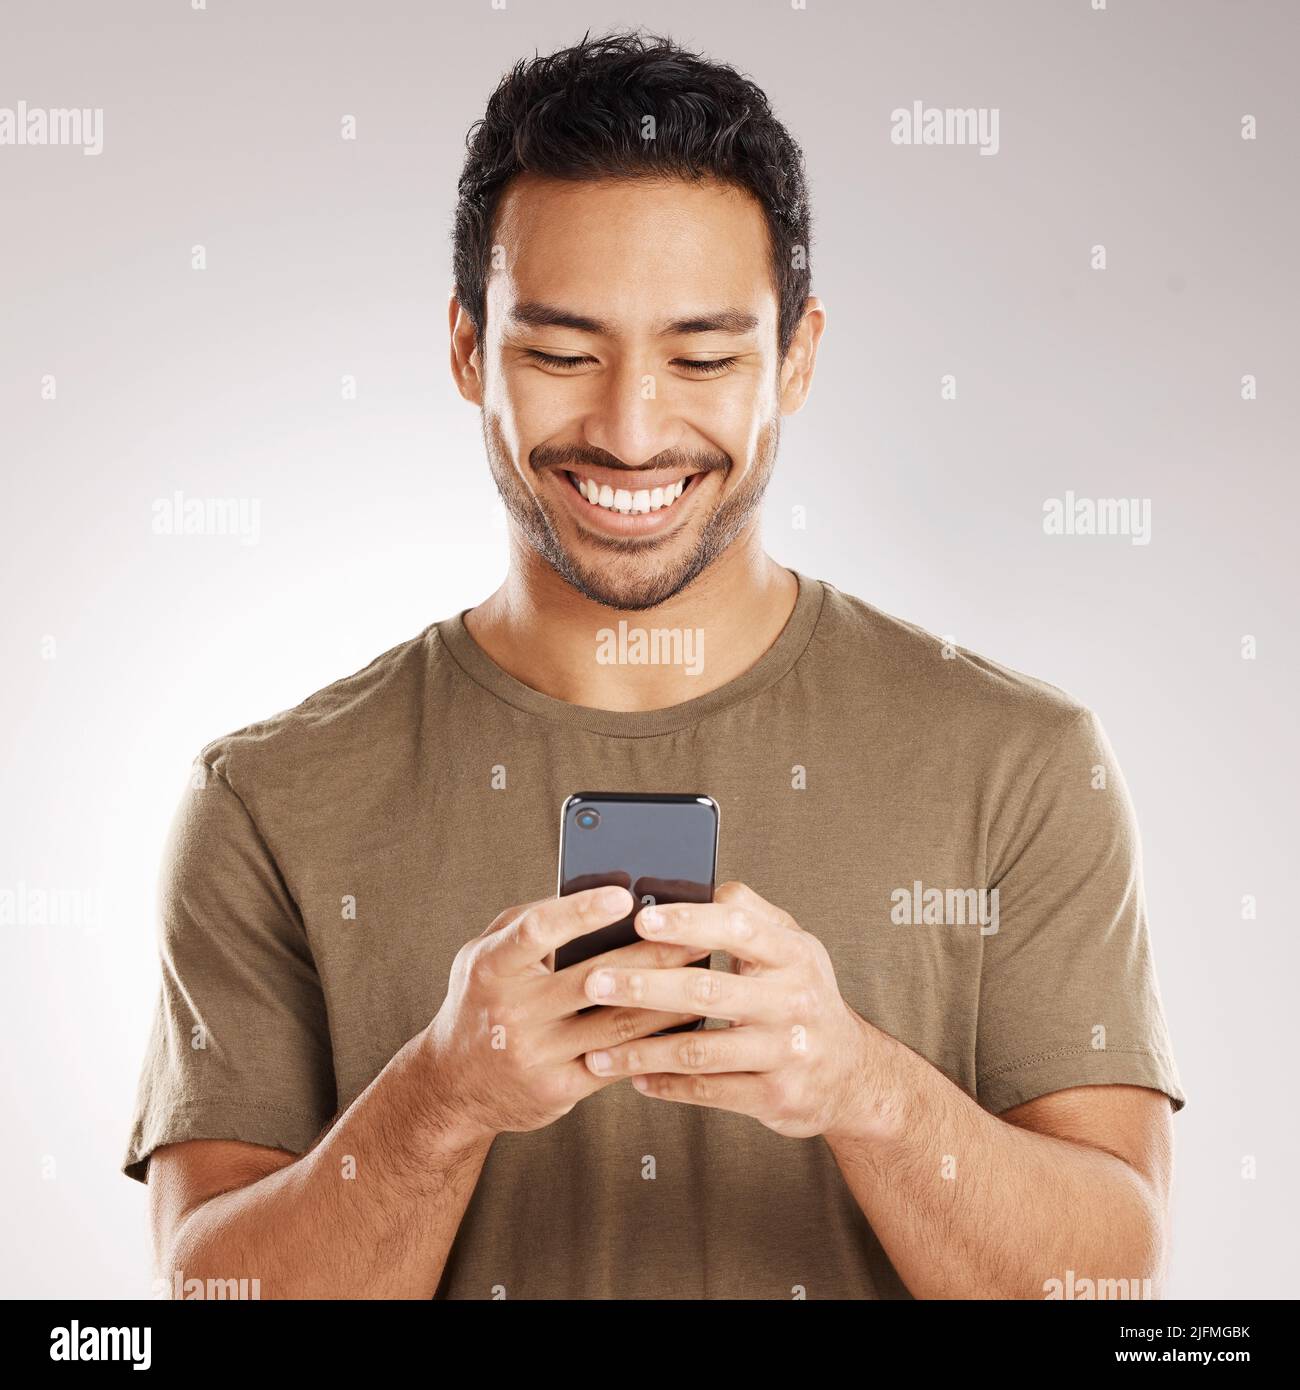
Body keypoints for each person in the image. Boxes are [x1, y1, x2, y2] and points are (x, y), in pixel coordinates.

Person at [124, 31, 1185, 1300]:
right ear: (467, 349)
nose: (630, 432)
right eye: (562, 353)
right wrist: (443, 1096)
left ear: (795, 358)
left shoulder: (1021, 763)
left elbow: (1112, 1290)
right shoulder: (266, 798)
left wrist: (862, 1087)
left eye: (702, 357)